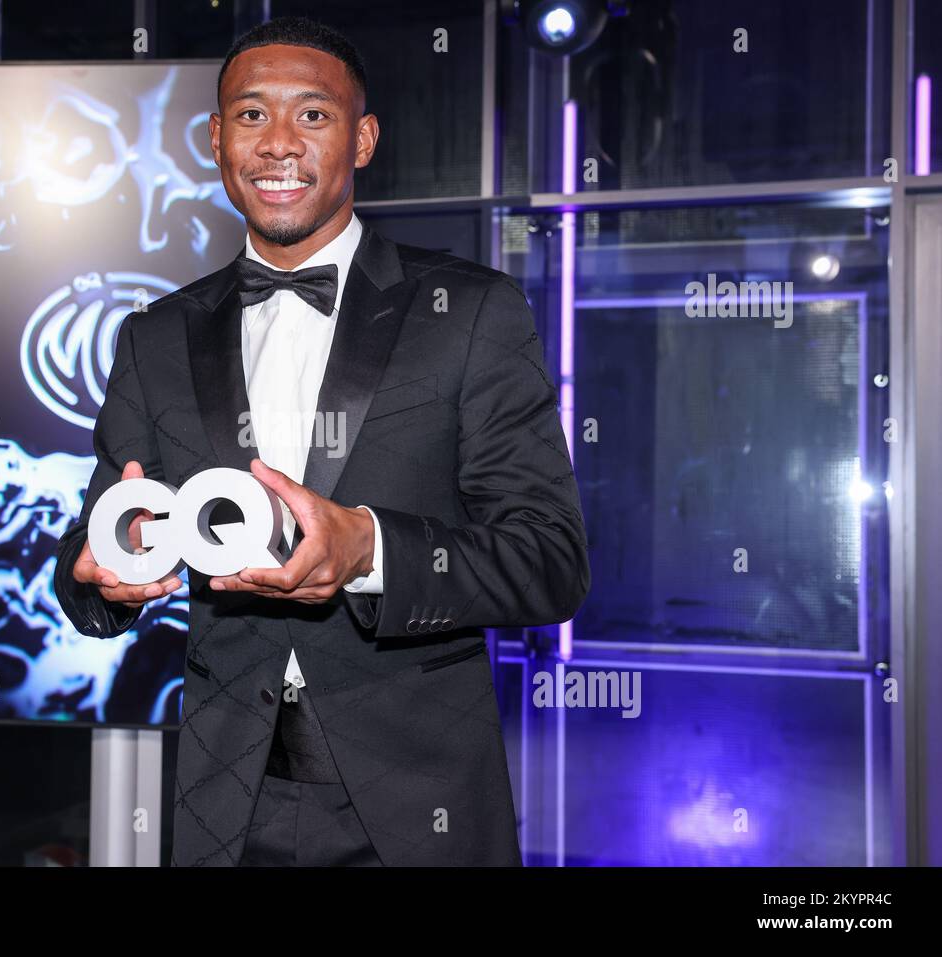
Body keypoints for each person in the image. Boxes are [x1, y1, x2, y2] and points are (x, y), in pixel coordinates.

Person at [54, 15, 590, 866]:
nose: (278, 143)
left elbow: (549, 559)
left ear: (362, 139)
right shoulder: (155, 336)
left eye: (312, 114)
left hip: (420, 812)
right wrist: (102, 577)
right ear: (216, 139)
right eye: (251, 114)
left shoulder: (470, 312)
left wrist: (369, 549)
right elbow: (91, 547)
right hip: (224, 811)